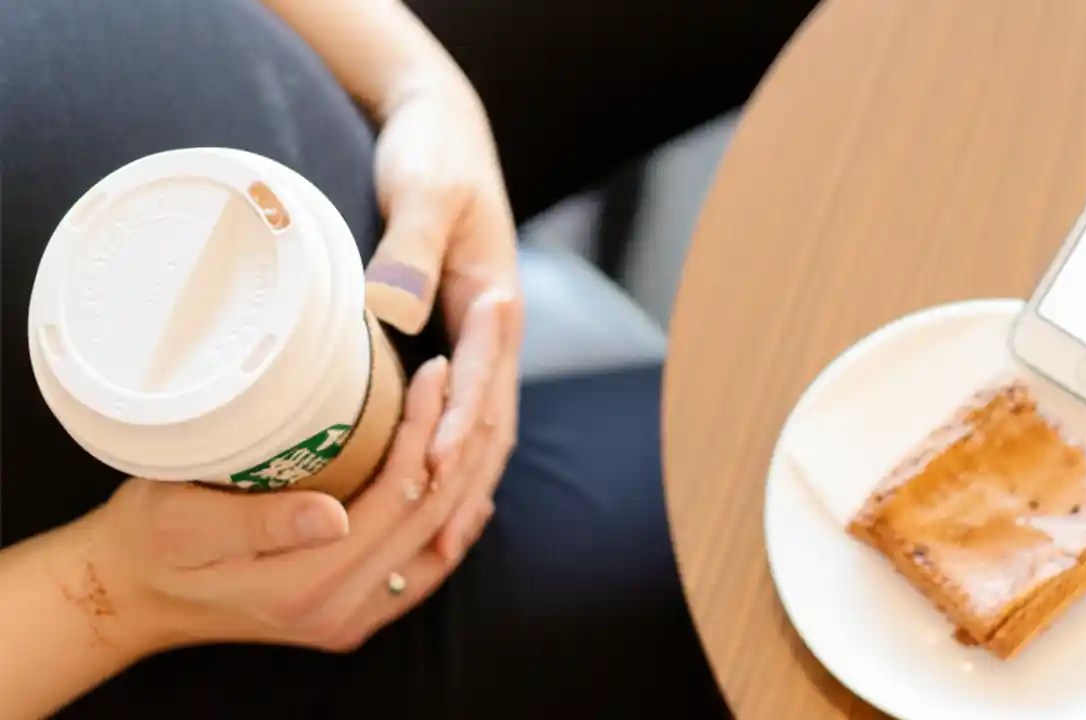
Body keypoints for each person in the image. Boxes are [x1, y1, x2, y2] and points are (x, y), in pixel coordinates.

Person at [0, 0, 821, 715]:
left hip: (307, 73)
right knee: (808, 502)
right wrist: (115, 597)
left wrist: (421, 86)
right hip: (221, 583)